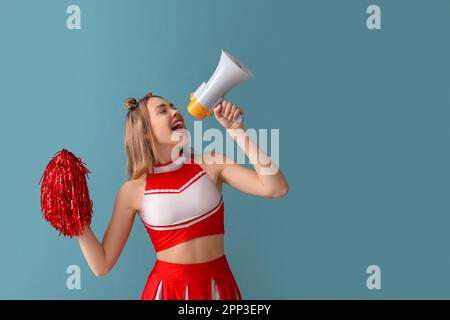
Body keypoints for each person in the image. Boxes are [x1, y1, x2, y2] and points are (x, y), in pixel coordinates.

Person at [77, 92, 289, 300]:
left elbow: (275, 188)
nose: (175, 111)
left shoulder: (212, 163)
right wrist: (74, 219)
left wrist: (237, 131)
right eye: (163, 111)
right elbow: (102, 264)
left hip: (219, 288)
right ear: (145, 132)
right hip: (166, 292)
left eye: (173, 106)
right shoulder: (132, 191)